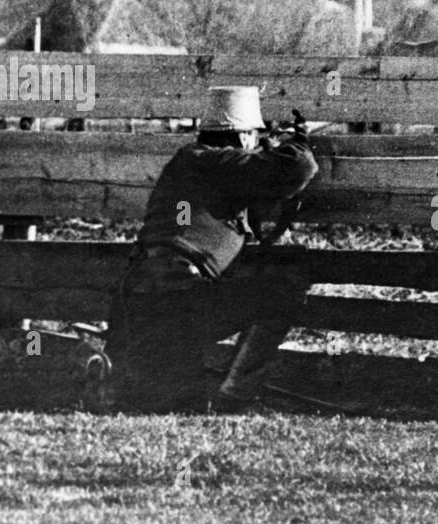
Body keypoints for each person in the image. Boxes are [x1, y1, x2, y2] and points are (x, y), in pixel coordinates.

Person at [105, 86, 319, 413]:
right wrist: (296, 140)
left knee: (166, 399)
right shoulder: (209, 161)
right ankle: (235, 396)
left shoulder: (195, 164)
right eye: (254, 137)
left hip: (143, 301)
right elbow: (299, 167)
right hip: (181, 303)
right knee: (284, 290)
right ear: (245, 136)